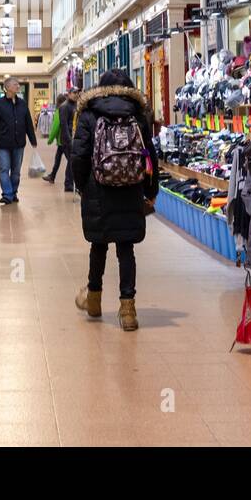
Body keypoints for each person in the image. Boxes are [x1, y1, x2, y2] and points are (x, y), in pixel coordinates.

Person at [70, 69, 158, 332]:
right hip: (130, 188)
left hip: (97, 188)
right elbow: (149, 154)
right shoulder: (138, 114)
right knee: (126, 249)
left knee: (98, 245)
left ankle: (94, 299)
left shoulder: (88, 113)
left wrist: (81, 184)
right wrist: (151, 190)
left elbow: (79, 154)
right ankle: (128, 310)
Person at [0, 76, 37, 206]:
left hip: (19, 143)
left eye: (18, 84)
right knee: (4, 169)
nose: (18, 86)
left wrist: (33, 140)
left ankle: (13, 192)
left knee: (16, 172)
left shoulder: (23, 104)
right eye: (15, 84)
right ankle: (7, 194)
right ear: (7, 87)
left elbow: (28, 123)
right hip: (2, 144)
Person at [42, 89, 79, 192]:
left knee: (62, 159)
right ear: (69, 94)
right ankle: (68, 184)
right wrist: (68, 140)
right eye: (74, 93)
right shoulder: (64, 107)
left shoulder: (75, 105)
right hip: (66, 140)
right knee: (71, 161)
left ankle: (54, 176)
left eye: (77, 93)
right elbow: (61, 125)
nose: (76, 95)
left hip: (68, 139)